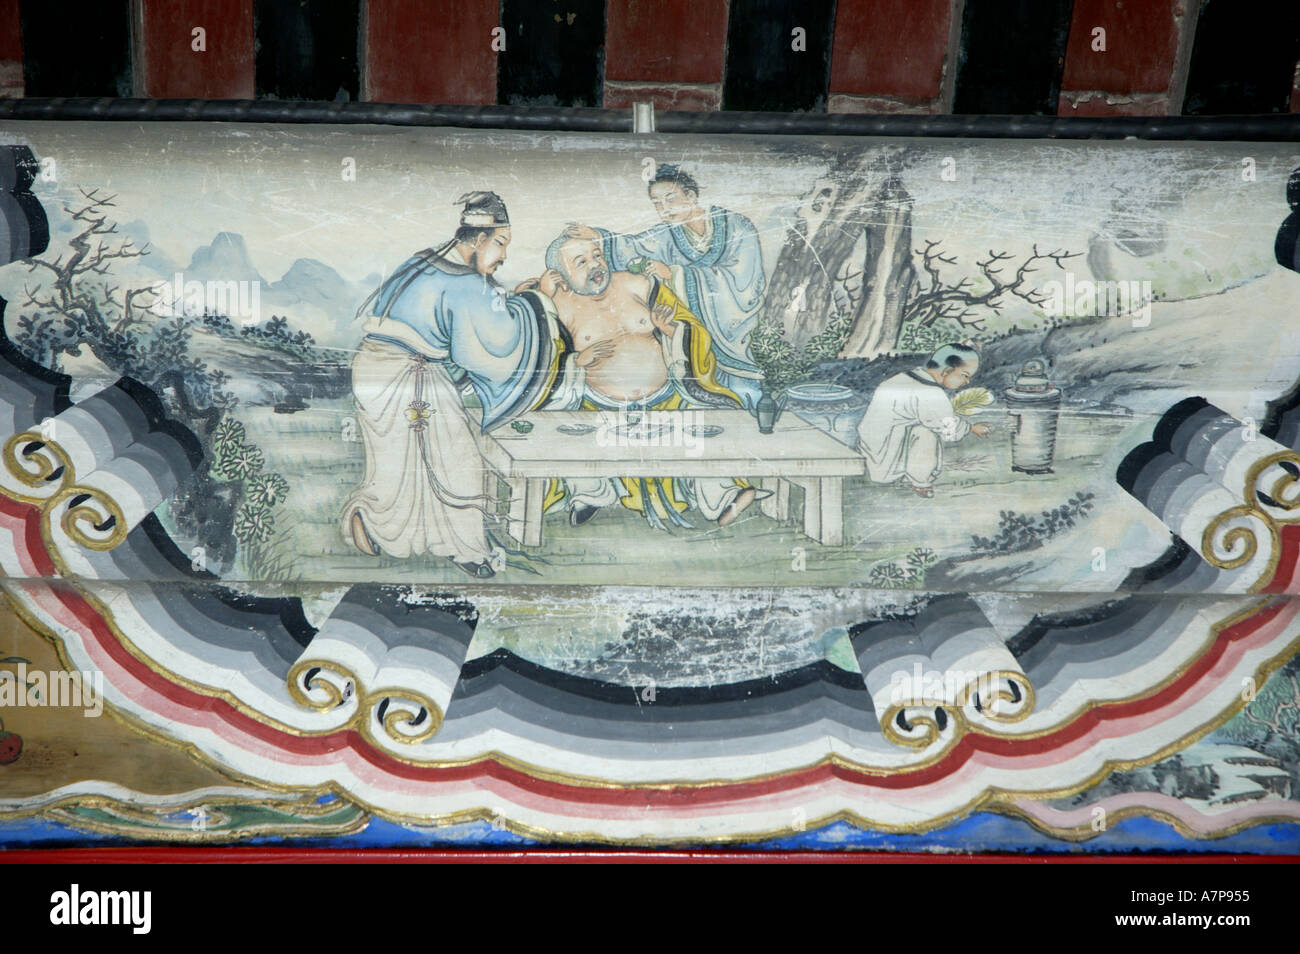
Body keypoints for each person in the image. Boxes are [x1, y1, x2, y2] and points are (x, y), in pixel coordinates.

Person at [341, 192, 591, 578]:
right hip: (412, 376)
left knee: (395, 463)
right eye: (501, 244)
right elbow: (488, 349)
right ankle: (468, 550)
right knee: (459, 460)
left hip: (374, 368)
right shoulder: (468, 283)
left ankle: (370, 520)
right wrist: (539, 301)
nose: (503, 256)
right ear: (479, 239)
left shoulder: (421, 260)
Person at [529, 233, 761, 530]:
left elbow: (691, 327)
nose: (595, 265)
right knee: (567, 432)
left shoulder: (638, 284)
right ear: (560, 276)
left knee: (699, 433)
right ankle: (591, 494)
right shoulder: (557, 306)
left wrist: (672, 333)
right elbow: (542, 360)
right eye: (582, 262)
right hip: (599, 407)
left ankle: (721, 495)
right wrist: (578, 361)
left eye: (597, 255)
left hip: (666, 399)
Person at [565, 165, 767, 409]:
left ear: (691, 196)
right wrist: (599, 237)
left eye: (670, 199)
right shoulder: (667, 235)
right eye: (657, 203)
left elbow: (744, 282)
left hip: (733, 334)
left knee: (745, 401)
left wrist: (673, 274)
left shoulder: (737, 227)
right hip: (693, 339)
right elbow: (632, 247)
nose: (664, 209)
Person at [855, 343, 991, 498]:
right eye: (965, 375)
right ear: (947, 371)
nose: (967, 382)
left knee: (921, 426)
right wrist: (971, 428)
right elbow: (946, 427)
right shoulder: (929, 392)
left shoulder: (902, 378)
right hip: (886, 457)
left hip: (871, 447)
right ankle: (920, 482)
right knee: (926, 433)